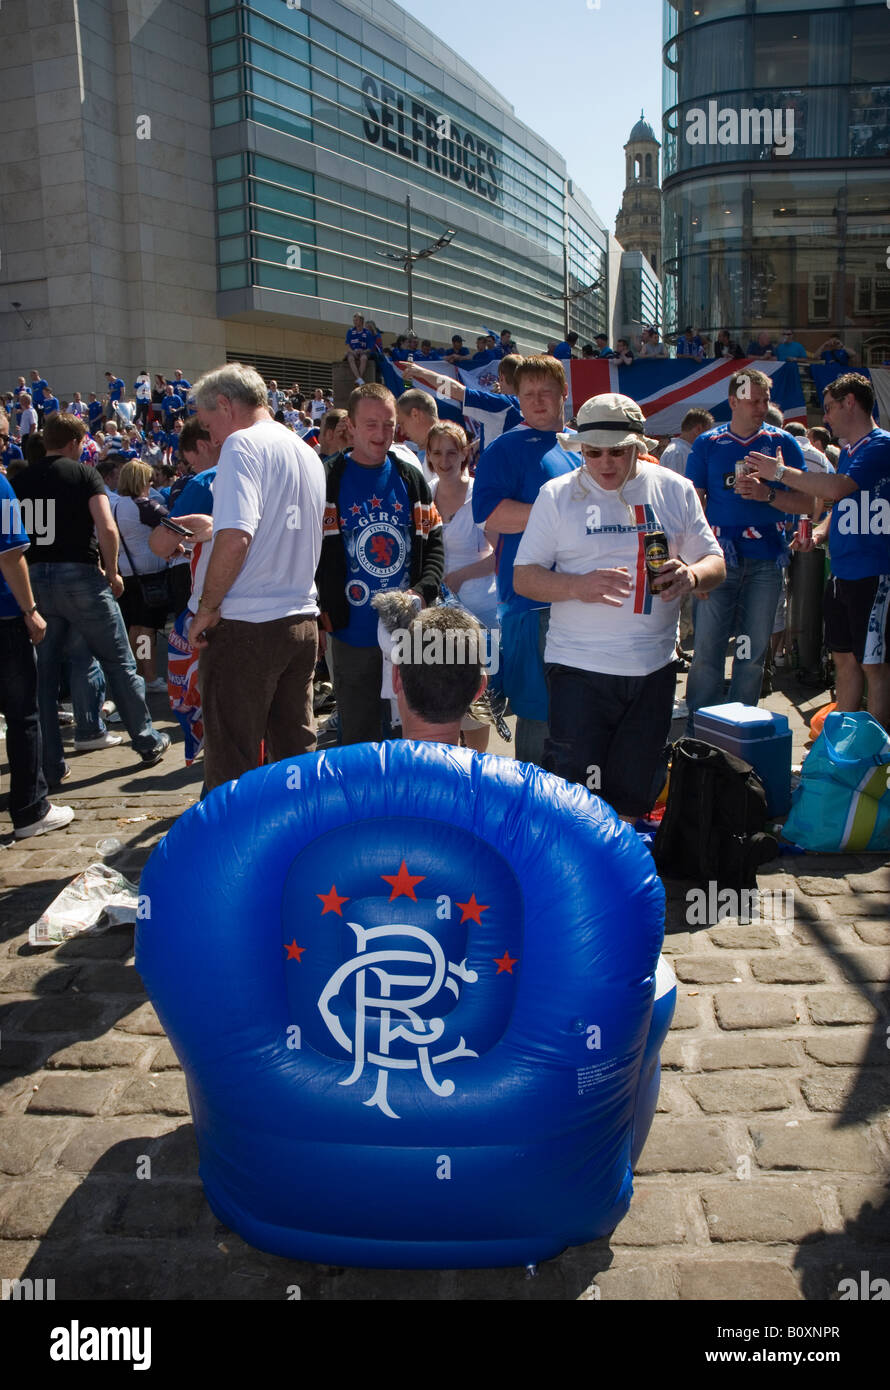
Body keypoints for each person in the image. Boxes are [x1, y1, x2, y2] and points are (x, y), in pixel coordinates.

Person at [513, 394, 725, 817]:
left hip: (653, 668)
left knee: (634, 795)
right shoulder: (557, 494)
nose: (605, 463)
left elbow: (715, 562)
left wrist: (692, 576)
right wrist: (576, 586)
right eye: (594, 453)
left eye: (618, 451)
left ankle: (625, 876)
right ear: (580, 450)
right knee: (576, 799)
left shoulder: (674, 489)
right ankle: (580, 880)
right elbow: (524, 577)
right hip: (579, 668)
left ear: (639, 446)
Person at [188, 364, 325, 790]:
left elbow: (235, 537)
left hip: (249, 624)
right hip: (300, 618)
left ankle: (230, 856)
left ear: (226, 405)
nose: (211, 438)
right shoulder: (304, 449)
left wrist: (207, 609)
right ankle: (297, 848)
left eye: (210, 424)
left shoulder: (242, 445)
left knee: (231, 763)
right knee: (295, 759)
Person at [13, 412, 170, 782]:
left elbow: (11, 542)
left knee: (45, 677)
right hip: (81, 576)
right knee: (119, 662)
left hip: (36, 579)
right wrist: (112, 570)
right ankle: (146, 739)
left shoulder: (19, 483)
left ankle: (51, 763)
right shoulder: (84, 475)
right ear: (73, 443)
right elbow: (106, 525)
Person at [742, 374, 890, 731]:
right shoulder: (853, 450)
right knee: (843, 657)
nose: (825, 419)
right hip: (843, 570)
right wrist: (820, 532)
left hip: (874, 571)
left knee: (874, 664)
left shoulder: (880, 445)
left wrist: (779, 472)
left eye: (829, 409)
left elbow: (837, 488)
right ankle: (844, 738)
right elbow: (844, 504)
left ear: (850, 402)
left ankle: (876, 752)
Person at [315, 383, 444, 746]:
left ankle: (406, 803)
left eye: (388, 424)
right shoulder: (326, 479)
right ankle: (364, 803)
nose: (381, 433)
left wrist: (422, 591)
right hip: (351, 633)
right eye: (370, 424)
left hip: (408, 633)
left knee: (414, 733)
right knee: (358, 736)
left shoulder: (411, 478)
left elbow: (434, 542)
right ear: (350, 428)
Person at [683, 368, 809, 726]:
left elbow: (808, 504)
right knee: (707, 651)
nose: (761, 407)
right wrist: (696, 565)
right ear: (734, 400)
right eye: (755, 400)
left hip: (766, 561)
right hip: (719, 559)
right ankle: (701, 732)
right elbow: (694, 506)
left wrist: (769, 494)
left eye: (766, 400)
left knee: (751, 653)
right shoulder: (708, 443)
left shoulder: (783, 443)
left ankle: (740, 732)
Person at [472, 355, 578, 765]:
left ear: (563, 394)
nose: (536, 400)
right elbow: (490, 516)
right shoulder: (504, 449)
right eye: (527, 393)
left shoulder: (581, 447)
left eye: (545, 392)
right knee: (538, 716)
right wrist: (553, 511)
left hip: (581, 600)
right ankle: (530, 810)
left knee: (575, 713)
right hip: (532, 603)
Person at [0, 460, 75, 839]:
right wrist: (30, 611)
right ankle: (31, 810)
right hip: (5, 618)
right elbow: (11, 554)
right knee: (22, 717)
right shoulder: (0, 486)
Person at [110, 461, 177, 691]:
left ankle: (140, 672)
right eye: (149, 480)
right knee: (147, 629)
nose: (152, 484)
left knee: (137, 627)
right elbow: (176, 525)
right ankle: (149, 676)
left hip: (128, 573)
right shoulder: (145, 505)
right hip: (149, 575)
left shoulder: (117, 505)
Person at [427, 422, 497, 628]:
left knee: (487, 661)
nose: (444, 460)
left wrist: (461, 576)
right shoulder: (424, 494)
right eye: (437, 453)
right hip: (437, 613)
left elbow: (501, 553)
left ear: (464, 453)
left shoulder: (480, 496)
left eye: (451, 452)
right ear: (428, 455)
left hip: (482, 610)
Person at [403, 354, 522, 449]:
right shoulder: (527, 406)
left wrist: (420, 372)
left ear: (501, 377)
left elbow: (456, 390)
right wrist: (477, 445)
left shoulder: (501, 405)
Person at [659, 409, 715, 477]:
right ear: (698, 429)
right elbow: (676, 485)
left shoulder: (682, 451)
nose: (709, 437)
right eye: (708, 432)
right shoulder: (677, 453)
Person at [395, 388, 438, 478]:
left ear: (415, 414)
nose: (402, 432)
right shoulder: (425, 453)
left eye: (402, 423)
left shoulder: (446, 452)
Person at [346, 314, 371, 385]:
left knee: (363, 358)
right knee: (350, 358)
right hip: (353, 352)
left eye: (356, 320)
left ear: (361, 321)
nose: (355, 322)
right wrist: (353, 352)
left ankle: (359, 379)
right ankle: (359, 379)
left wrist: (363, 351)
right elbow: (348, 346)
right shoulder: (350, 331)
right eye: (354, 320)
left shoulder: (367, 333)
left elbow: (369, 348)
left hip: (363, 352)